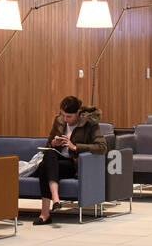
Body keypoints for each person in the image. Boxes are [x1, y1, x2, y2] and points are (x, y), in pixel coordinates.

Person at [32, 95, 107, 225]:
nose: (65, 120)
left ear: (78, 113)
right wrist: (54, 143)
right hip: (56, 161)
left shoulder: (89, 124)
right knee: (49, 155)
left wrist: (75, 147)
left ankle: (45, 214)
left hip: (74, 163)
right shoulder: (59, 121)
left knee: (44, 167)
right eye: (63, 115)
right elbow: (48, 144)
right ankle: (56, 199)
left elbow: (102, 147)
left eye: (69, 117)